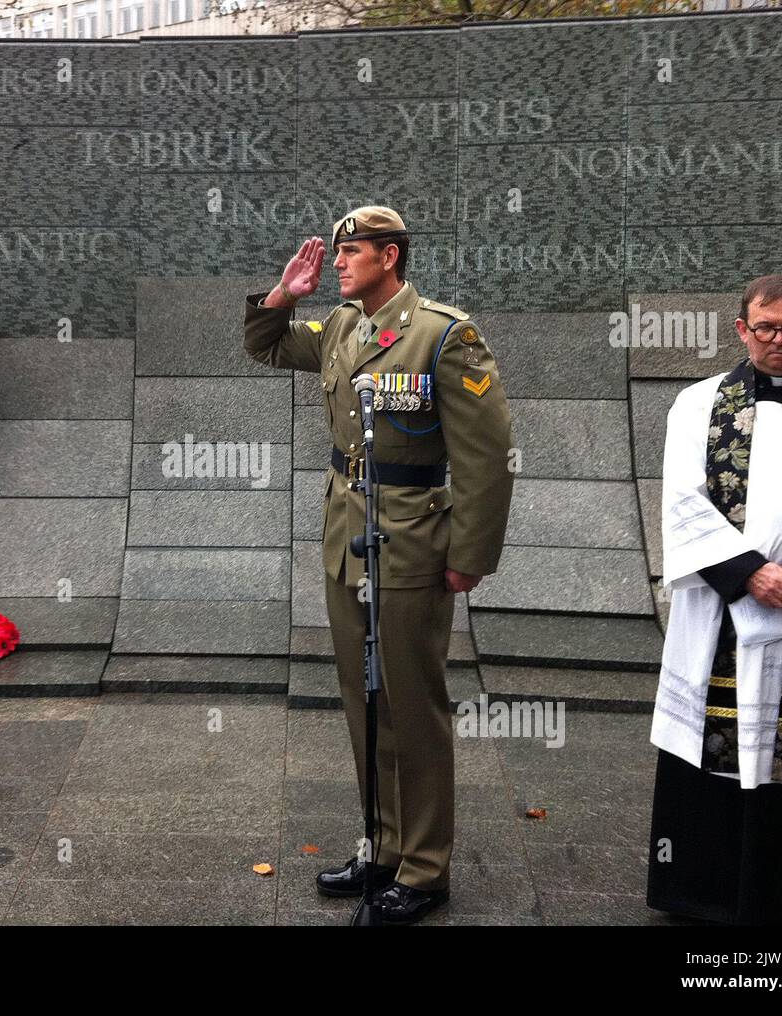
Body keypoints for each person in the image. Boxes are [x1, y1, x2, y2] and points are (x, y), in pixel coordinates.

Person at [243, 206, 514, 924]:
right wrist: (284, 296)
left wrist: (470, 557)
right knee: (365, 703)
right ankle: (384, 844)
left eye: (351, 251)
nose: (338, 262)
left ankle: (425, 869)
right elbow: (266, 346)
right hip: (346, 536)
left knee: (412, 706)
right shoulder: (340, 326)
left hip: (414, 541)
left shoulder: (444, 334)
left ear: (390, 256)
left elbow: (485, 458)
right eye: (336, 253)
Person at [648, 273, 782, 924]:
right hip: (726, 612)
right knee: (723, 750)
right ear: (741, 330)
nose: (779, 340)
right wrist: (748, 570)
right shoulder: (697, 403)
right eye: (765, 328)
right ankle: (706, 895)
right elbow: (682, 498)